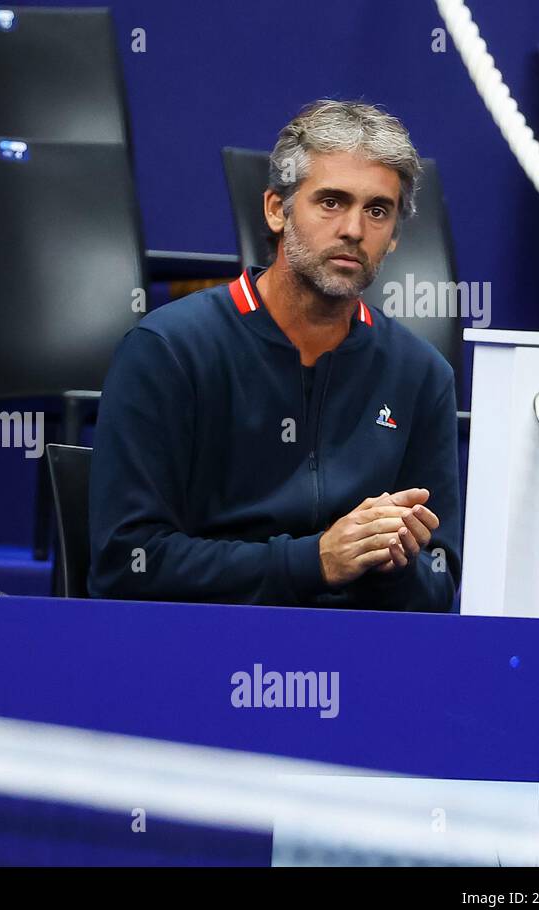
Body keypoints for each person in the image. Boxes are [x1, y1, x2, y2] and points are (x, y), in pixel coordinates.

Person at [89, 100, 460, 611]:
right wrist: (316, 561)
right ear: (275, 210)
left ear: (394, 237)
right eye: (331, 201)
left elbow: (440, 587)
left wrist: (391, 564)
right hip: (203, 652)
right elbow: (125, 562)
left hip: (356, 660)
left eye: (378, 210)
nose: (354, 228)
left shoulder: (421, 375)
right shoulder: (169, 350)